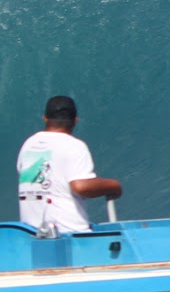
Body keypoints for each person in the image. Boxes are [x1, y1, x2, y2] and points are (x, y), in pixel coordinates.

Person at [16, 95, 123, 233]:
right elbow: (81, 187)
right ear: (75, 121)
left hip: (32, 235)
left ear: (45, 118)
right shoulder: (73, 145)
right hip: (69, 235)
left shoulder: (28, 145)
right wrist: (113, 186)